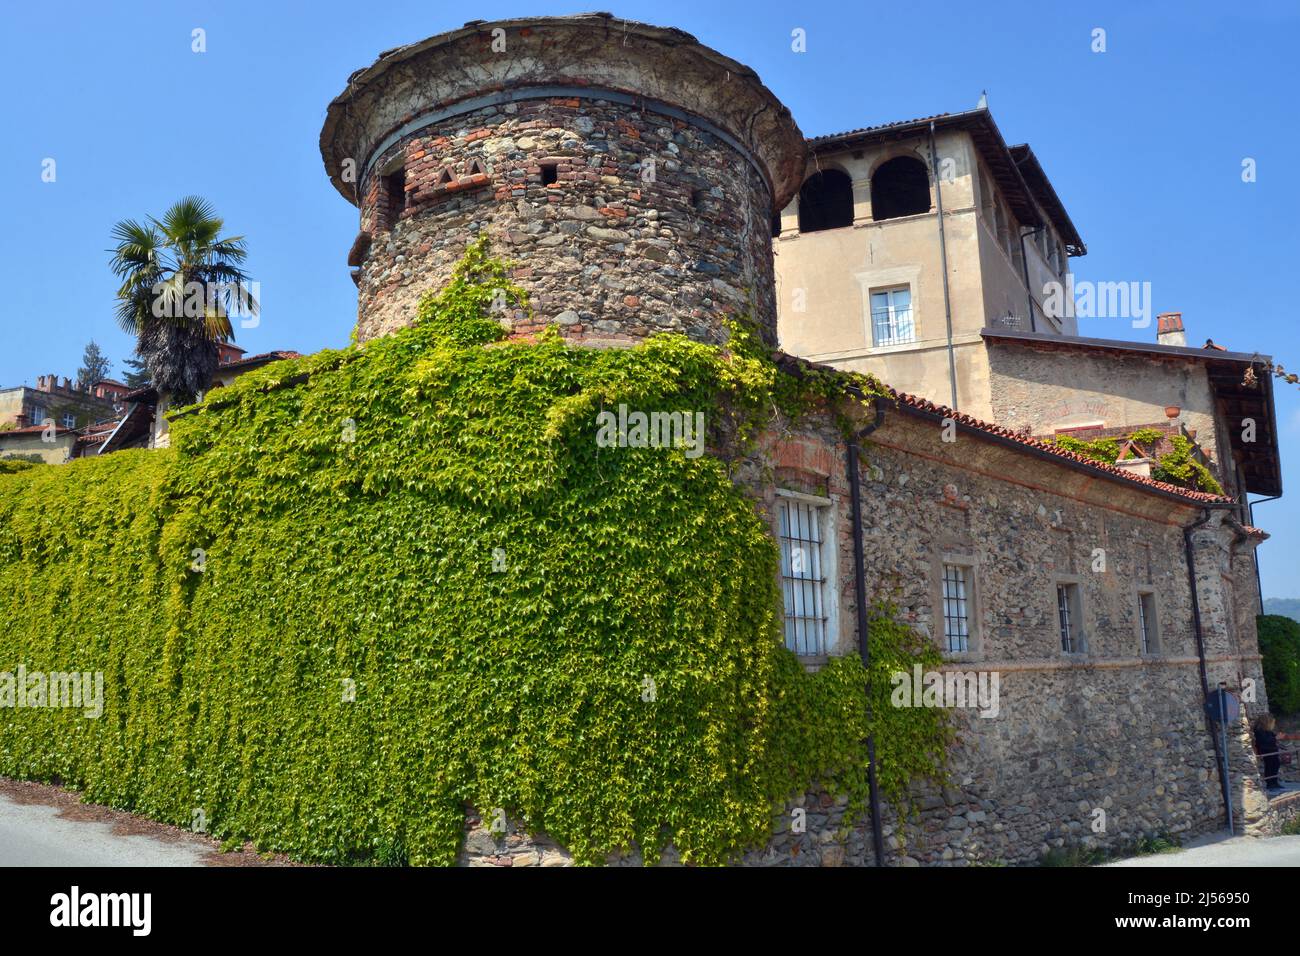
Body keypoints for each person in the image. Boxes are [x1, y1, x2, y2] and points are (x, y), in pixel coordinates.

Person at [1254, 714, 1282, 791]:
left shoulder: (1266, 730)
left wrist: (1276, 737)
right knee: (1270, 765)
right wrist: (1275, 738)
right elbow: (1264, 741)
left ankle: (1274, 782)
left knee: (1276, 764)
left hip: (1271, 750)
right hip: (1266, 750)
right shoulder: (1259, 730)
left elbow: (1271, 738)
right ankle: (1270, 783)